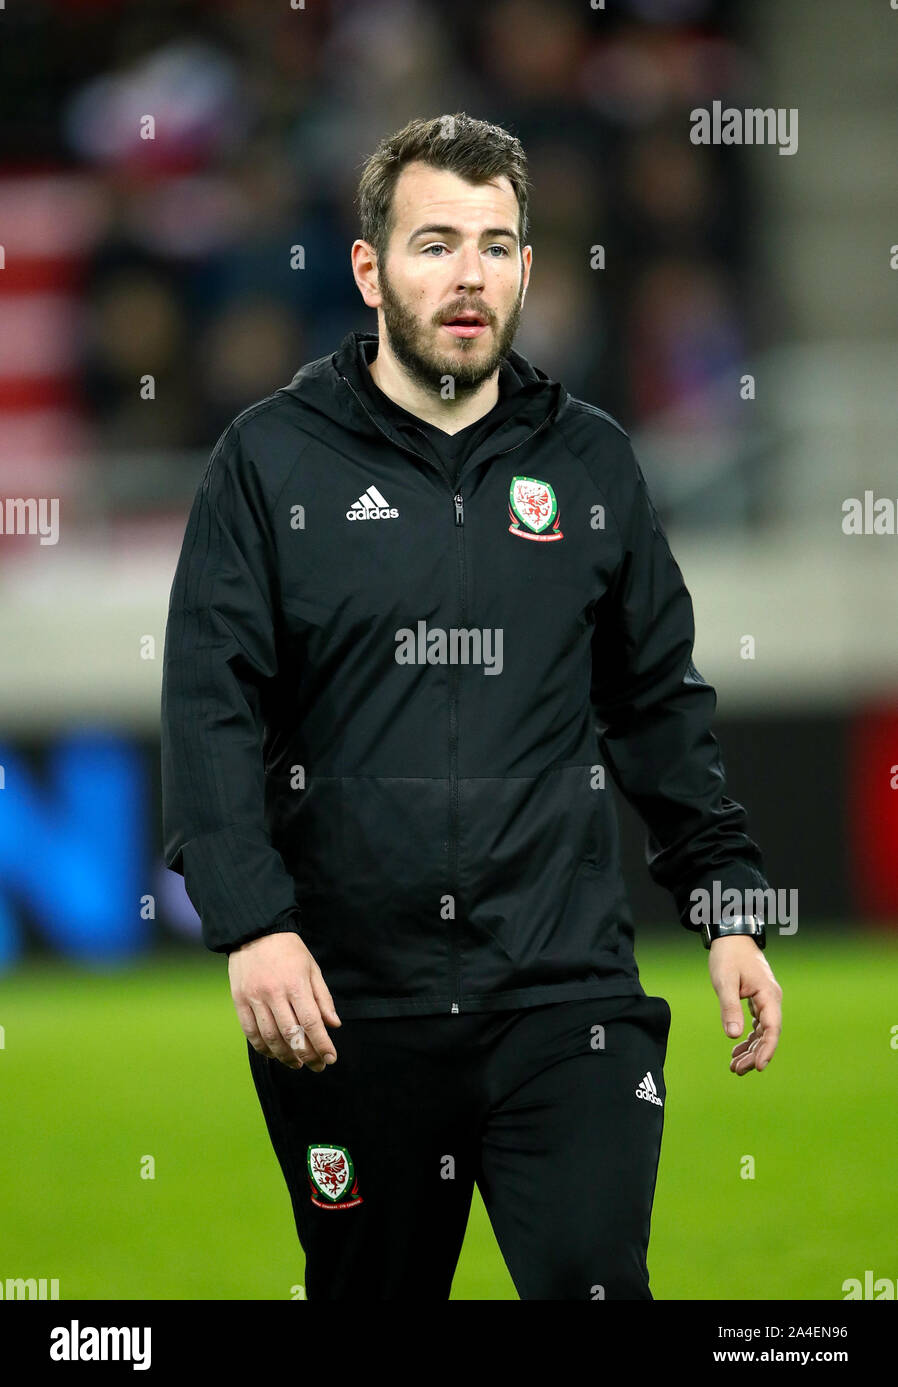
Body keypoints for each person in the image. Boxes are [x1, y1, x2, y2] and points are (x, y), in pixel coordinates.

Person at [160, 112, 783, 1301]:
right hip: (349, 1006)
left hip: (563, 995)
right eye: (435, 243)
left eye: (496, 246)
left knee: (597, 1278)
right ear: (367, 267)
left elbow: (657, 707)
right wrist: (249, 921)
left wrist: (731, 905)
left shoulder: (591, 462)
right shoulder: (268, 462)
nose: (468, 278)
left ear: (529, 270)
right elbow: (210, 706)